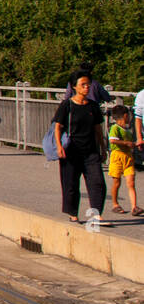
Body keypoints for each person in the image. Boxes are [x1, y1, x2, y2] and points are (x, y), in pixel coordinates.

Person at [53, 73, 107, 223]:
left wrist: (102, 148)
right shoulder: (67, 105)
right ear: (74, 87)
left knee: (98, 182)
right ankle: (73, 213)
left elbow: (98, 129)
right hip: (71, 151)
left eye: (88, 84)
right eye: (83, 84)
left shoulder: (93, 106)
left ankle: (96, 214)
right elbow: (58, 127)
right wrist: (59, 146)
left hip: (90, 151)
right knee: (70, 183)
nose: (86, 87)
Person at [107, 105, 140, 216]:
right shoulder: (115, 128)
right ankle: (115, 203)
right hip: (117, 157)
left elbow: (130, 143)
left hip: (128, 157)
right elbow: (112, 140)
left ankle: (134, 206)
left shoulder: (128, 131)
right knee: (117, 182)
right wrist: (126, 143)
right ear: (125, 116)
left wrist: (135, 145)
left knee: (131, 182)